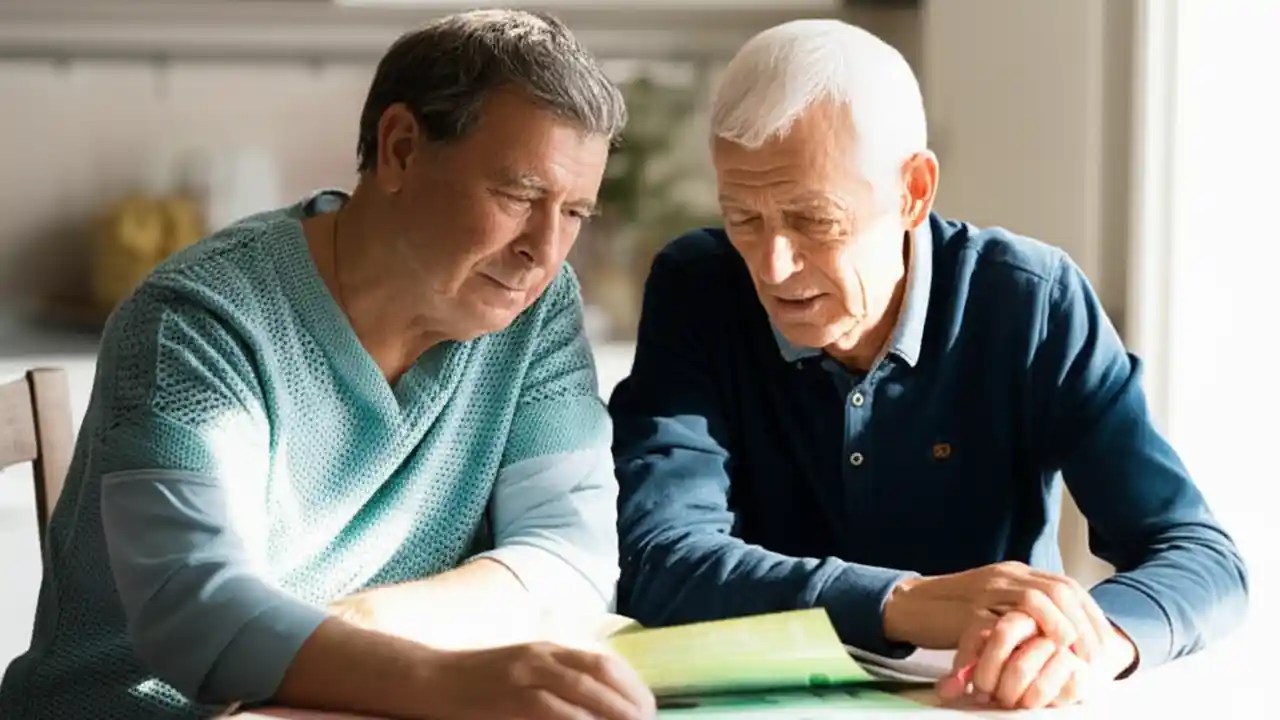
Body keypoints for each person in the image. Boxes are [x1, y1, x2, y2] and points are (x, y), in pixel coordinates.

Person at [0, 10, 655, 720]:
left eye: (575, 214)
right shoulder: (196, 321)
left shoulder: (536, 306)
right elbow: (197, 613)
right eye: (519, 196)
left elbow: (570, 555)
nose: (545, 249)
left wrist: (367, 632)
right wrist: (444, 680)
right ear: (401, 148)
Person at [610, 19, 1248, 711]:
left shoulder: (1031, 301)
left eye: (813, 220)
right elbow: (658, 558)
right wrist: (904, 602)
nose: (773, 266)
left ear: (914, 190)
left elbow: (1200, 556)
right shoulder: (698, 287)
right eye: (743, 218)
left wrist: (1089, 641)